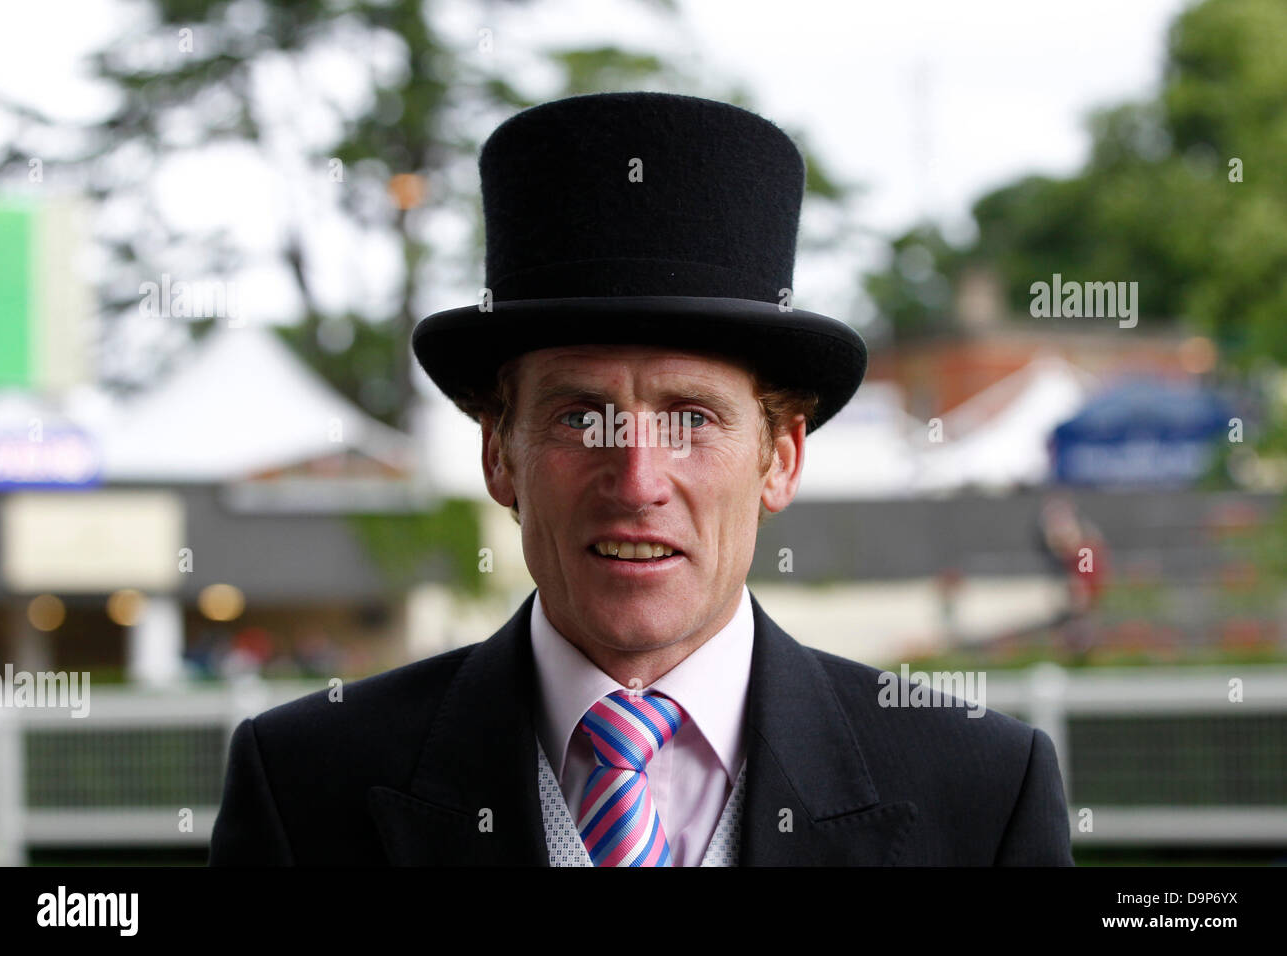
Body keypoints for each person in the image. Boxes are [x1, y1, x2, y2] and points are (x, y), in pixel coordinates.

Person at [209, 91, 1073, 866]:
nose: (636, 479)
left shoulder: (984, 795)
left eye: (691, 417)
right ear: (497, 455)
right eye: (581, 416)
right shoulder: (303, 787)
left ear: (781, 459)